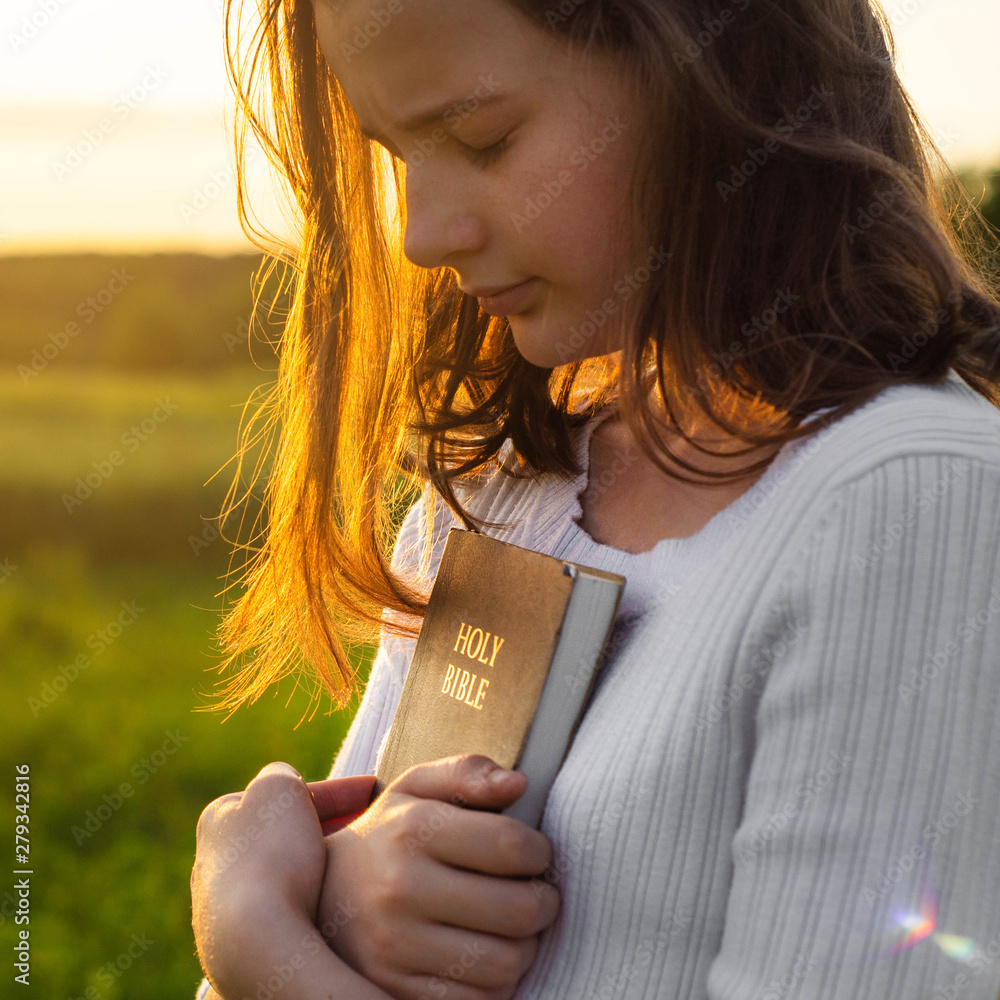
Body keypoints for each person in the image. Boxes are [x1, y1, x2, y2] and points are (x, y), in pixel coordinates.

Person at [190, 0, 1000, 997]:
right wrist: (340, 901)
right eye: (398, 155)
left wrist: (249, 932)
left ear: (714, 65)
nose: (421, 234)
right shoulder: (499, 492)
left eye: (482, 139)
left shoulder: (914, 503)